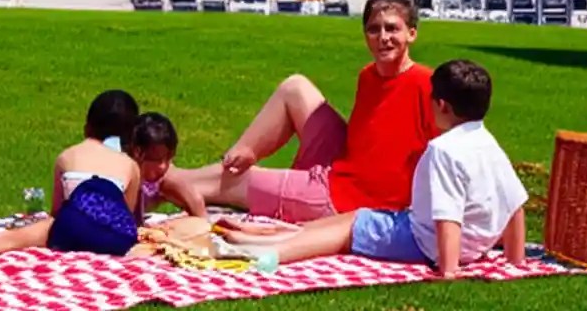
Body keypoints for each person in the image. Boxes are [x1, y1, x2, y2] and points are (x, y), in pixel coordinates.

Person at [216, 60, 527, 278]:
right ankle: (268, 239)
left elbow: (448, 218)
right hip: (467, 242)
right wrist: (516, 260)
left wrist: (448, 270)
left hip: (427, 242)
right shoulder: (488, 143)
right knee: (356, 218)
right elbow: (515, 206)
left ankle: (273, 255)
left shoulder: (443, 150)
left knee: (354, 228)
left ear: (442, 105)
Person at [175, 0, 438, 223]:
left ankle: (169, 181)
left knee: (238, 182)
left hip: (353, 201)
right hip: (346, 171)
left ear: (411, 33)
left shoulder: (427, 85)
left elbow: (450, 154)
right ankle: (239, 154)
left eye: (392, 29)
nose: (383, 38)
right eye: (374, 29)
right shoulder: (368, 76)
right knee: (296, 87)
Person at [0, 90, 142, 266]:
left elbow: (58, 212)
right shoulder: (130, 166)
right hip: (119, 238)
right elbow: (128, 215)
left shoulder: (67, 156)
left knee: (14, 238)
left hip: (75, 221)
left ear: (87, 126)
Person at [131, 113, 206, 221]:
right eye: (157, 160)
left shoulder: (163, 176)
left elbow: (195, 200)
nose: (163, 166)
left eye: (168, 158)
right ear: (137, 152)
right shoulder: (127, 175)